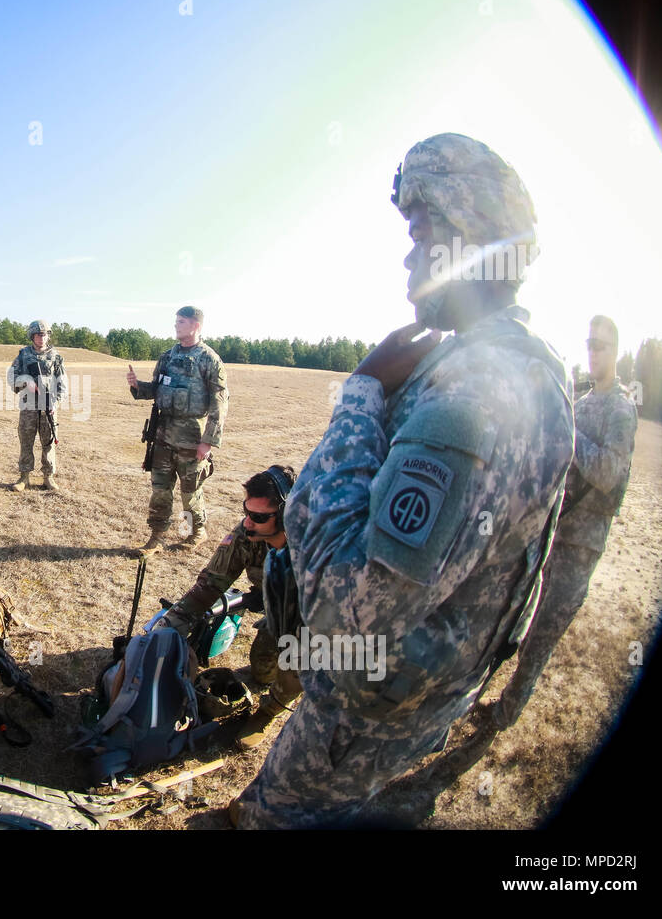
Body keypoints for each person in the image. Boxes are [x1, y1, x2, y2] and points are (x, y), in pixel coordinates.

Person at [230, 133, 575, 829]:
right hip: (422, 699)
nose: (409, 254)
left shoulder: (477, 387)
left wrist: (360, 394)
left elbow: (347, 612)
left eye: (420, 232)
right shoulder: (533, 366)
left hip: (365, 716)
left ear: (467, 238)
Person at [492, 315, 638, 727]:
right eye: (590, 343)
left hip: (582, 543)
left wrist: (570, 436)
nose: (594, 352)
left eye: (602, 345)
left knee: (543, 636)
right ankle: (500, 701)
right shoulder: (585, 401)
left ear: (617, 351)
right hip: (556, 528)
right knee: (524, 614)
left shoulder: (621, 408)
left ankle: (505, 714)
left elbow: (609, 473)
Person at [158, 465, 302, 751]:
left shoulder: (317, 547)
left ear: (288, 516)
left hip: (311, 614)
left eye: (259, 517)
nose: (247, 523)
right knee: (262, 669)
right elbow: (209, 586)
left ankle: (269, 710)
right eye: (246, 511)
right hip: (273, 603)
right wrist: (169, 625)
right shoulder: (245, 534)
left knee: (299, 659)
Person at [126, 306, 228, 553]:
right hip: (162, 434)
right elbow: (156, 390)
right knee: (160, 489)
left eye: (181, 321)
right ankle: (157, 537)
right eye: (176, 321)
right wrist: (137, 386)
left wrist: (208, 441)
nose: (176, 325)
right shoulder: (167, 356)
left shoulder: (209, 360)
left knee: (189, 492)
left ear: (195, 325)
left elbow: (220, 403)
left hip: (192, 437)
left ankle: (195, 532)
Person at [8, 319, 68, 491]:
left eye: (44, 334)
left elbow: (62, 385)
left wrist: (55, 404)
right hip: (28, 408)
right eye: (38, 334)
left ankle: (48, 477)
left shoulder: (56, 357)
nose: (41, 338)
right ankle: (24, 477)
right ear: (32, 336)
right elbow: (11, 377)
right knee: (26, 442)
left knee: (48, 443)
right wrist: (26, 381)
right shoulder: (23, 355)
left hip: (48, 408)